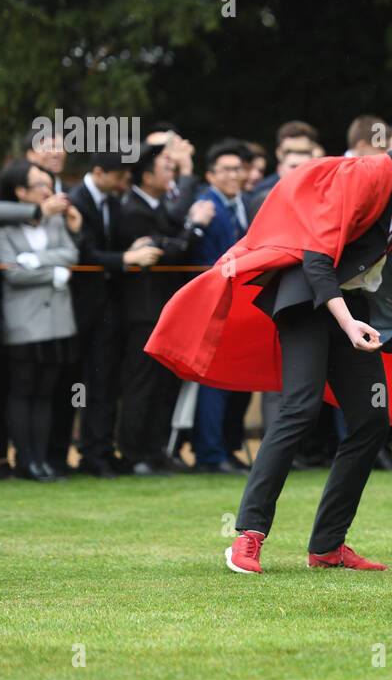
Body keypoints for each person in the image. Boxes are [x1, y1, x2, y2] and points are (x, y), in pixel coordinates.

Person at [145, 99, 392, 575]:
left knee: (372, 419)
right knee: (299, 407)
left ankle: (328, 546)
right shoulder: (365, 175)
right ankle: (247, 537)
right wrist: (346, 321)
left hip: (350, 306)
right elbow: (317, 258)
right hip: (308, 297)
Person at [117, 142, 215, 475]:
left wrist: (180, 236)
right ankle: (133, 454)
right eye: (164, 167)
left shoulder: (158, 206)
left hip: (164, 309)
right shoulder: (133, 209)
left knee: (164, 383)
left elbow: (171, 243)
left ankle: (156, 450)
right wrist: (195, 226)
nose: (170, 172)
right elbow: (172, 249)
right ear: (145, 175)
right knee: (141, 383)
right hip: (143, 311)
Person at [63, 151, 159, 477]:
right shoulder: (76, 202)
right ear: (100, 172)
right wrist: (128, 258)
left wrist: (134, 246)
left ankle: (100, 450)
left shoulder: (113, 201)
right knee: (80, 386)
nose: (125, 183)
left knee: (104, 383)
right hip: (78, 307)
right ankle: (82, 453)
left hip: (108, 308)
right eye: (120, 177)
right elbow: (85, 254)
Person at [0, 160, 83, 483]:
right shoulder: (4, 224)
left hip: (58, 317)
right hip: (24, 320)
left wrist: (38, 262)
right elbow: (13, 271)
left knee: (47, 392)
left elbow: (70, 255)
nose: (49, 191)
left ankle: (42, 460)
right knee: (22, 390)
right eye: (40, 186)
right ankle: (25, 460)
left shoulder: (56, 221)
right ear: (20, 191)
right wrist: (52, 271)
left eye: (49, 185)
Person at [189, 140, 254, 474]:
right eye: (226, 169)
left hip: (241, 305)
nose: (234, 174)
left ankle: (225, 448)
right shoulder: (204, 205)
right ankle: (209, 453)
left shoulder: (244, 204)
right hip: (211, 305)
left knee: (237, 380)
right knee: (213, 382)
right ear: (210, 174)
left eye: (238, 168)